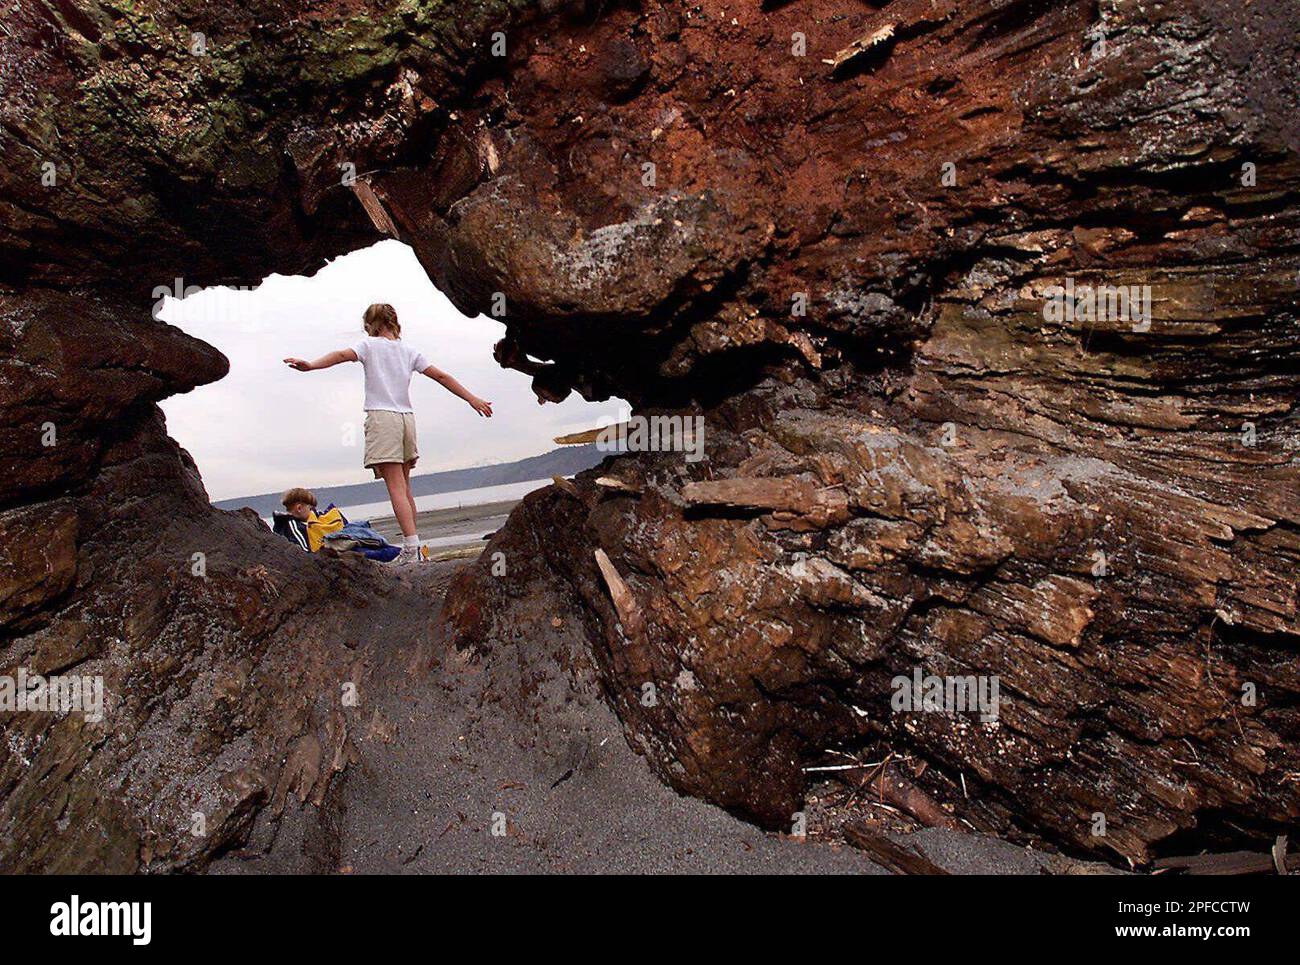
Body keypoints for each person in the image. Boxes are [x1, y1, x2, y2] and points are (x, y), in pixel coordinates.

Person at [283, 303, 493, 564]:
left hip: (383, 418)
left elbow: (339, 355)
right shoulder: (408, 351)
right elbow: (441, 376)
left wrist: (311, 365)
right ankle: (414, 545)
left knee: (395, 487)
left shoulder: (369, 346)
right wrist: (472, 399)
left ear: (374, 325)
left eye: (367, 327)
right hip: (407, 419)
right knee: (405, 488)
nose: (366, 332)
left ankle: (411, 547)